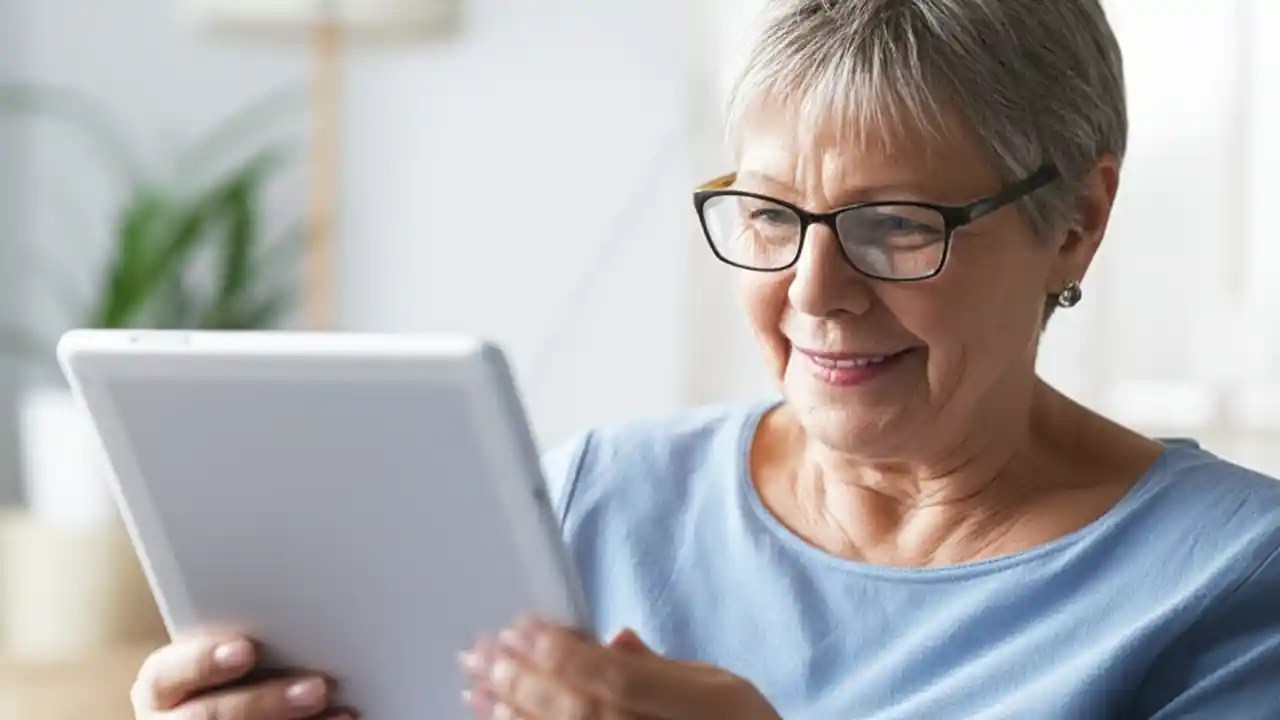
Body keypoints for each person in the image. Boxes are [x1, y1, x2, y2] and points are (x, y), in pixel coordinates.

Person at [130, 1, 1280, 718]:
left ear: (1075, 221)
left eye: (893, 226)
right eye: (771, 216)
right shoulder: (593, 499)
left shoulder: (1228, 578)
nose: (812, 293)